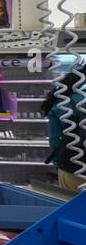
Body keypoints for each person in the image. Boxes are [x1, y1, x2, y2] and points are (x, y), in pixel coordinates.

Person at [42, 61, 86, 191]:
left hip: (70, 165)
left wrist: (58, 164)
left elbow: (55, 140)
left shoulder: (63, 101)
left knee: (73, 208)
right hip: (72, 163)